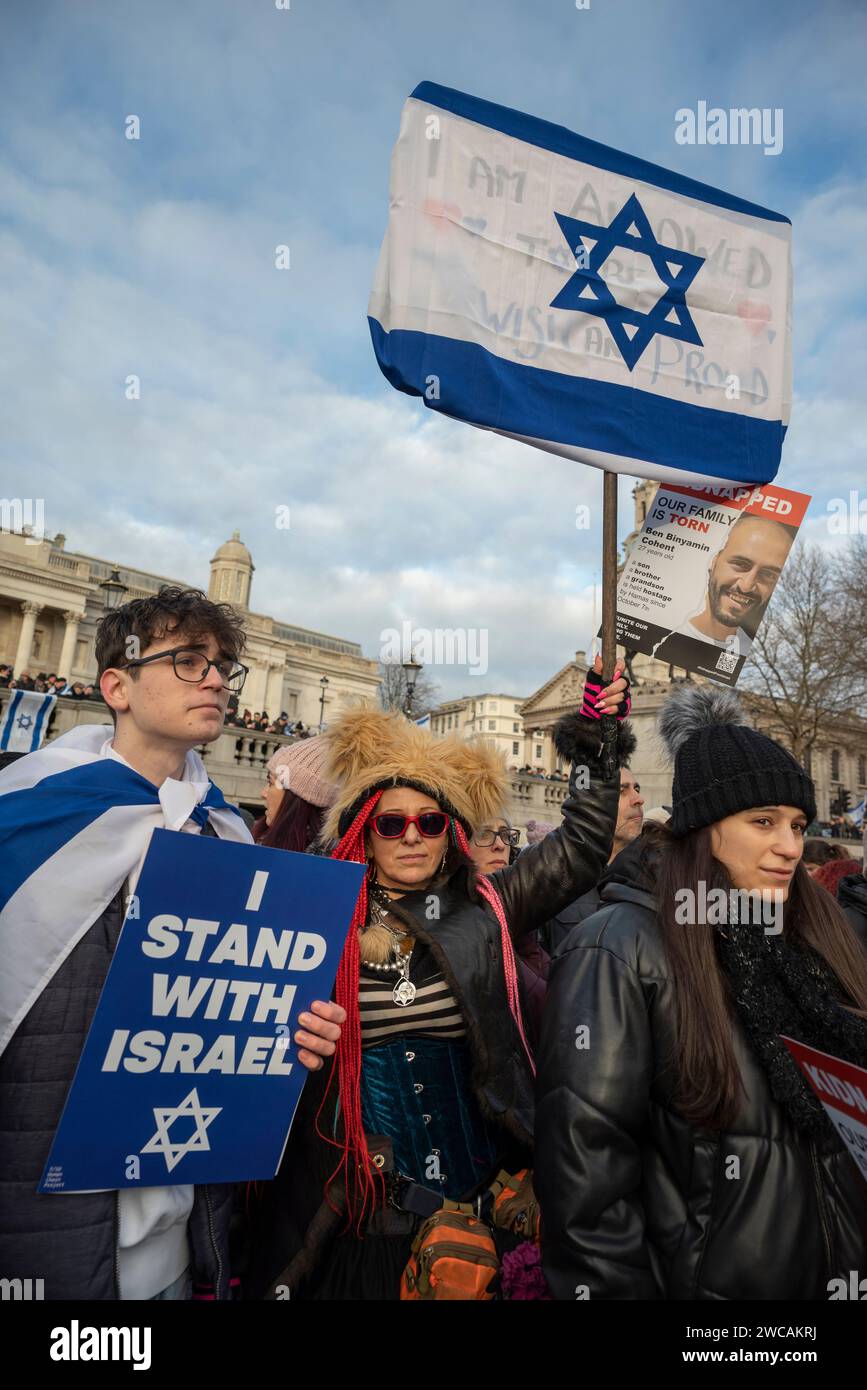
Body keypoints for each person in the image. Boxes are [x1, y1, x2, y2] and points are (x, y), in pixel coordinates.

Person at [244, 659, 631, 1300]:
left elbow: (583, 846)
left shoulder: (485, 912)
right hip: (357, 1226)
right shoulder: (310, 926)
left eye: (430, 822)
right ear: (363, 834)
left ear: (452, 835)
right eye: (392, 823)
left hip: (482, 1211)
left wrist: (595, 739)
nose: (412, 837)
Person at [0, 586, 344, 1302]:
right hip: (45, 1226)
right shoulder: (26, 817)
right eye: (188, 661)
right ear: (117, 686)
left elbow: (230, 1023)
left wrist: (295, 1033)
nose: (216, 678)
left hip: (184, 1229)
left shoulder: (229, 833)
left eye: (222, 664)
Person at [536, 684, 867, 1301]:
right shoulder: (618, 947)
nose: (790, 847)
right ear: (704, 828)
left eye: (798, 824)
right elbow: (587, 1192)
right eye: (763, 822)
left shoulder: (818, 936)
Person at [254, 736, 338, 853]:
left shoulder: (329, 865)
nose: (263, 793)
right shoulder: (256, 840)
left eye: (271, 782)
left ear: (296, 798)